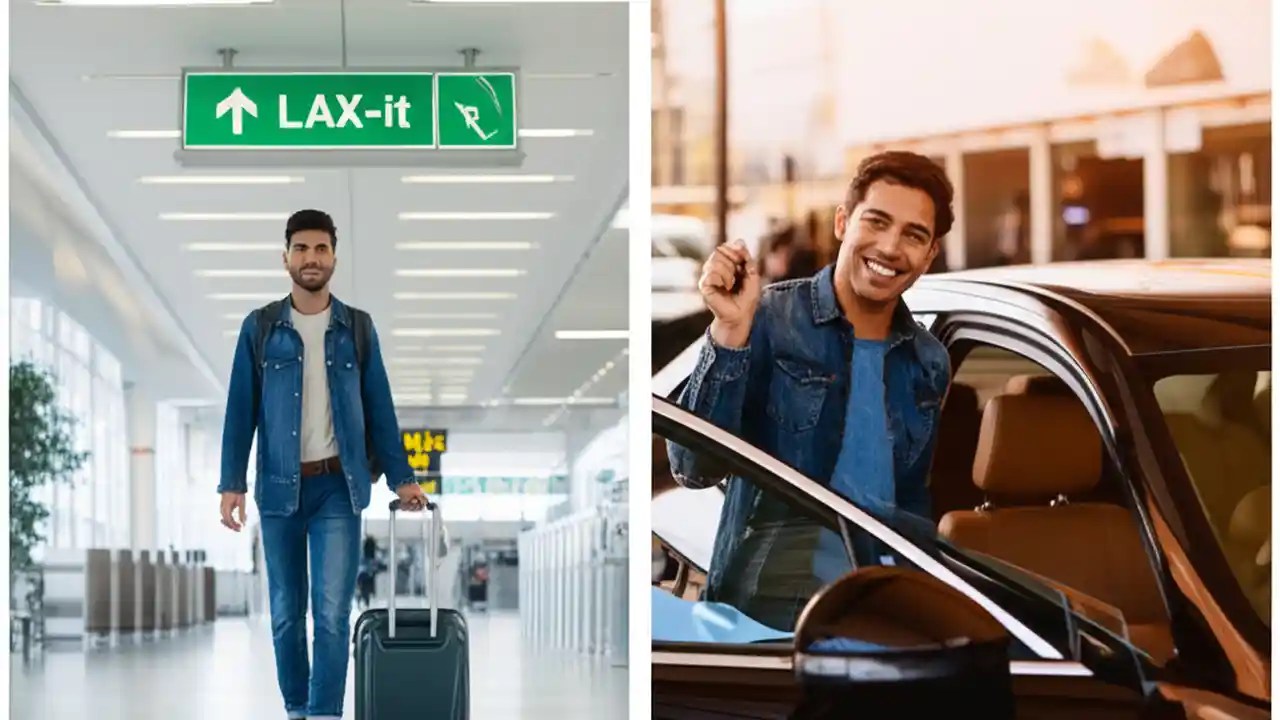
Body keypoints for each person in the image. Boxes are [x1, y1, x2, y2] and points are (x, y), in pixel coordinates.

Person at [667, 151, 954, 630]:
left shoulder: (928, 360)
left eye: (913, 235)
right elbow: (693, 466)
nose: (889, 247)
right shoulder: (770, 318)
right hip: (770, 614)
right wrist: (729, 332)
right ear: (843, 222)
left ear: (929, 255)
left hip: (884, 612)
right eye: (877, 222)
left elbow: (909, 503)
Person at [217, 209, 427, 720]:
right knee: (287, 614)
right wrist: (231, 483)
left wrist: (402, 478)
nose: (311, 259)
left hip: (338, 488)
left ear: (334, 256)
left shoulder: (356, 327)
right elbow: (240, 408)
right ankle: (296, 708)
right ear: (285, 256)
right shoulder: (261, 328)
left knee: (331, 614)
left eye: (321, 249)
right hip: (278, 488)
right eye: (301, 249)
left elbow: (379, 406)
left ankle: (325, 713)